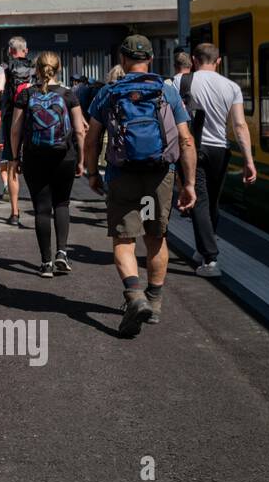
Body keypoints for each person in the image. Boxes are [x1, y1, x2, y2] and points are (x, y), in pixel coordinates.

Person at [84, 35, 197, 337]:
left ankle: (134, 296)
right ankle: (155, 302)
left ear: (122, 59)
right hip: (160, 174)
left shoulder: (108, 92)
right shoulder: (167, 90)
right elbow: (185, 139)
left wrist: (92, 173)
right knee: (155, 236)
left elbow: (92, 139)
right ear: (150, 59)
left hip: (122, 173)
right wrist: (190, 184)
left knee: (124, 240)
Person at [178, 42, 258, 277]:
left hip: (192, 147)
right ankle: (204, 249)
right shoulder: (231, 86)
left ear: (193, 60)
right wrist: (249, 160)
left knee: (200, 201)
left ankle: (210, 258)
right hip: (220, 150)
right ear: (218, 61)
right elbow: (239, 125)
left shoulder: (179, 82)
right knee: (211, 201)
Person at [10, 53, 87, 277]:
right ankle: (62, 253)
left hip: (35, 157)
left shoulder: (26, 94)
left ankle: (46, 263)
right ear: (58, 68)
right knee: (62, 203)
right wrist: (81, 159)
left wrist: (15, 158)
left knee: (42, 209)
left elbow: (15, 130)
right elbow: (80, 130)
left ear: (37, 69)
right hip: (65, 156)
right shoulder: (68, 94)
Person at [0, 36, 33, 226]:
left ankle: (14, 213)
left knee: (12, 165)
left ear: (10, 51)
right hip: (32, 119)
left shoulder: (4, 68)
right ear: (25, 51)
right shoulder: (34, 69)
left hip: (11, 120)